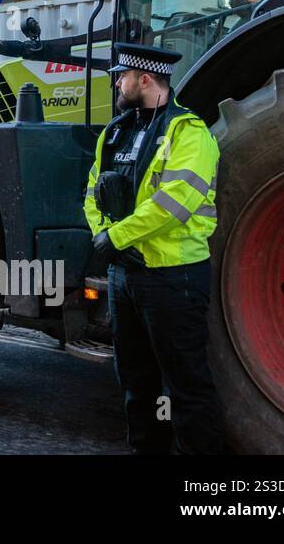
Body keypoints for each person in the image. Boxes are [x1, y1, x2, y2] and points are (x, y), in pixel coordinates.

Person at [85, 42, 223, 455]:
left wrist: (115, 238)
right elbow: (92, 192)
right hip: (124, 275)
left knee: (187, 388)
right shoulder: (116, 132)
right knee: (135, 384)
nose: (117, 84)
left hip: (173, 276)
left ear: (144, 79)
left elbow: (174, 202)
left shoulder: (189, 132)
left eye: (121, 77)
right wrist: (103, 235)